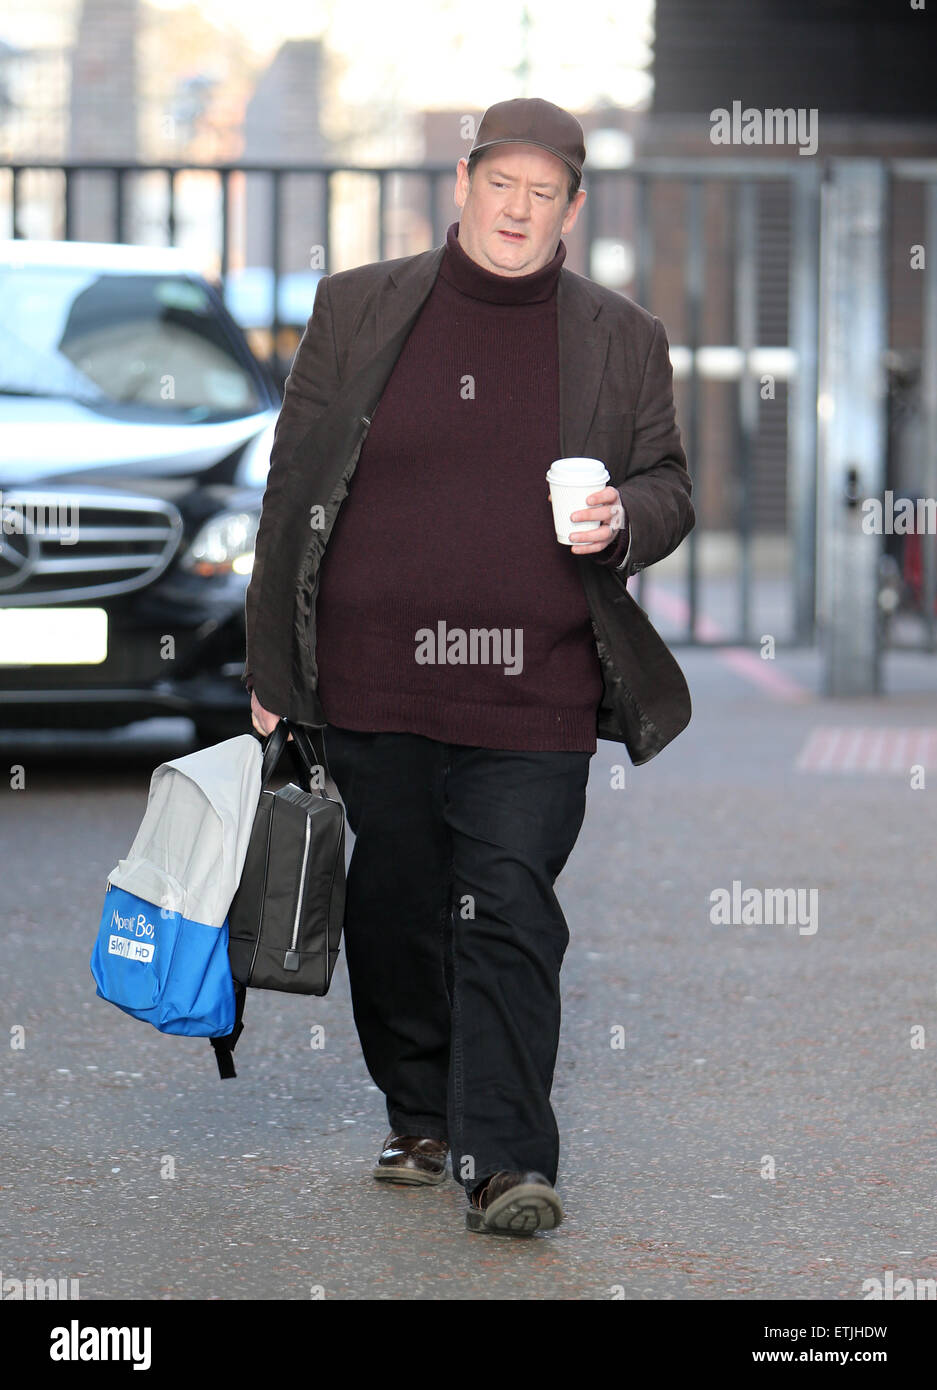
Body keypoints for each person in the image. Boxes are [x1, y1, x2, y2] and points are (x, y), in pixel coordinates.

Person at [244, 97, 694, 1237]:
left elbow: (671, 488)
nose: (519, 208)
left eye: (545, 193)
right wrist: (272, 666)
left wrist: (618, 518)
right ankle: (421, 1112)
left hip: (533, 685)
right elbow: (292, 490)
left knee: (507, 906)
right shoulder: (359, 308)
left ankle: (505, 1155)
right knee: (394, 911)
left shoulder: (621, 337)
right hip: (370, 676)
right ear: (463, 183)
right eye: (503, 184)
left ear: (573, 209)